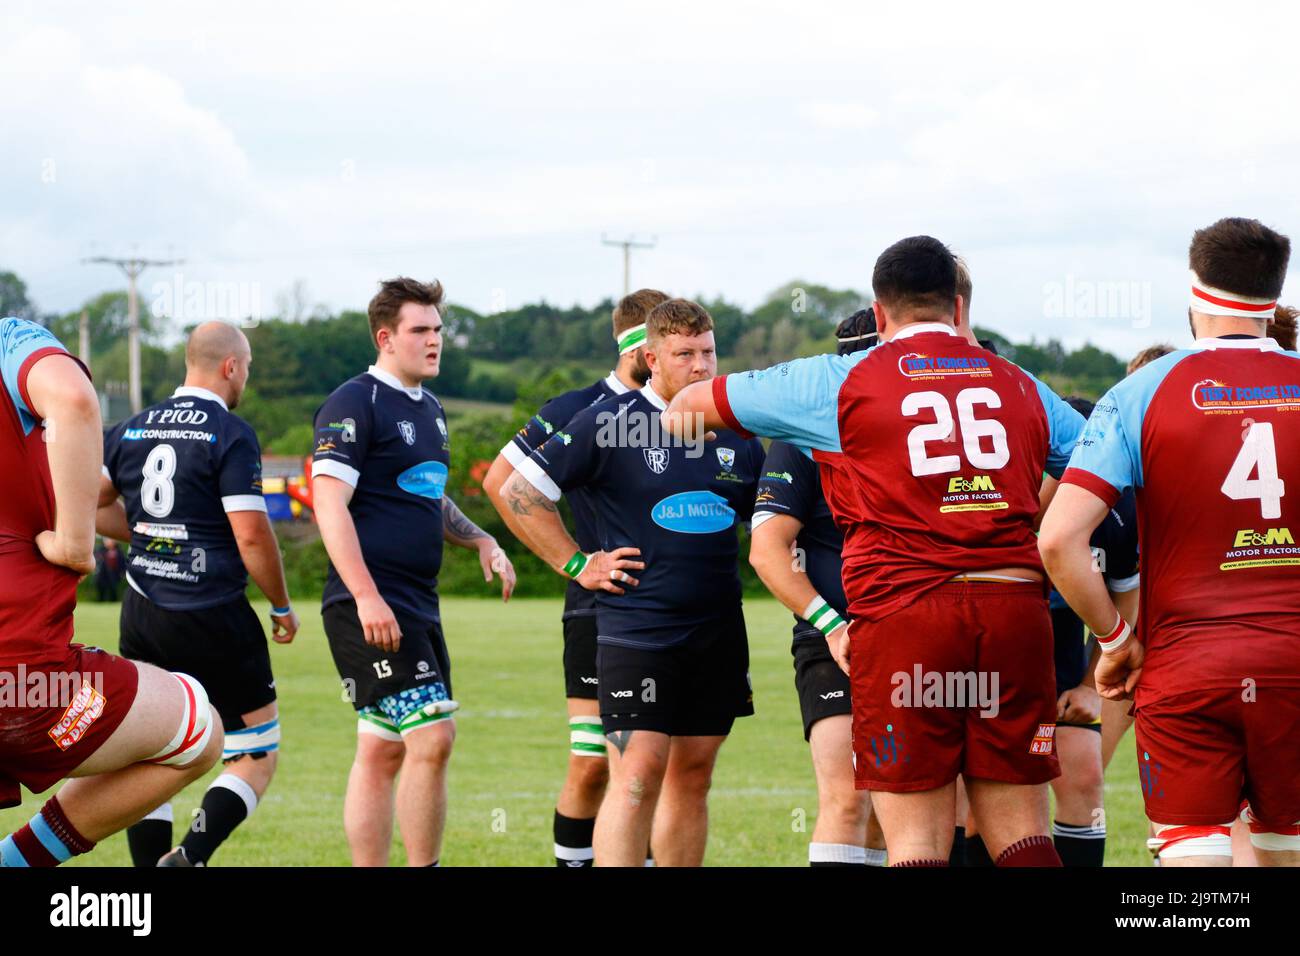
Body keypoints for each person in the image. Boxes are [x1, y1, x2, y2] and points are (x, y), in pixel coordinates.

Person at [664, 236, 1085, 866]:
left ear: (879, 313)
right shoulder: (1018, 383)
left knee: (914, 841)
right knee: (1024, 836)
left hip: (906, 615)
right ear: (958, 308)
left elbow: (684, 412)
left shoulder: (838, 378)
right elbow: (1098, 465)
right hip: (1013, 611)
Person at [1041, 217, 1300, 867]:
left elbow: (1059, 540)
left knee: (1194, 867)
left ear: (1195, 294)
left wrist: (1114, 642)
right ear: (1274, 293)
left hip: (1186, 663)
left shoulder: (1138, 394)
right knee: (1279, 850)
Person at [499, 298, 763, 866]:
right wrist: (578, 563)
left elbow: (767, 518)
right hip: (637, 632)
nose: (700, 366)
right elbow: (518, 493)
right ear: (652, 357)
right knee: (638, 776)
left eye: (708, 352)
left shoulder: (735, 431)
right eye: (684, 353)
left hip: (717, 630)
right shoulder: (608, 421)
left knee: (693, 777)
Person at [0, 316, 222, 867]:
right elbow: (73, 400)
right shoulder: (11, 340)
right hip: (22, 681)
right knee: (199, 730)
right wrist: (76, 541)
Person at [312, 277, 515, 867]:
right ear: (386, 337)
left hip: (417, 605)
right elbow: (329, 505)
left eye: (438, 330)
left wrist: (479, 539)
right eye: (420, 330)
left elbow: (428, 497)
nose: (435, 341)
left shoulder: (431, 410)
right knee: (433, 737)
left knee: (381, 751)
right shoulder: (355, 403)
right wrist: (367, 597)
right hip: (367, 605)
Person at [99, 320, 299, 866]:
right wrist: (280, 604)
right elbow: (251, 532)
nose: (247, 379)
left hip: (142, 611)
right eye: (248, 368)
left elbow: (89, 501)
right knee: (254, 751)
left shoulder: (132, 428)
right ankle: (192, 855)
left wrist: (148, 534)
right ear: (231, 367)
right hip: (214, 615)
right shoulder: (230, 432)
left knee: (148, 750)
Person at [482, 287, 666, 867]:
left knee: (652, 766)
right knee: (593, 763)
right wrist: (576, 563)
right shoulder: (575, 410)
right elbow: (500, 485)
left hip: (672, 613)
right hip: (596, 609)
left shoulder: (686, 413)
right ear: (638, 345)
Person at [747, 307, 886, 867]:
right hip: (837, 642)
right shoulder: (805, 435)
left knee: (898, 802)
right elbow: (767, 549)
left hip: (917, 635)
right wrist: (831, 625)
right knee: (850, 794)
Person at [1041, 396, 1139, 866]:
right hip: (989, 659)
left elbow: (1127, 594)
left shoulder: (1116, 510)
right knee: (986, 797)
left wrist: (1087, 686)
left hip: (1059, 650)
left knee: (1083, 776)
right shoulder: (1007, 502)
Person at [94, 538, 122, 602]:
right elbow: (97, 561)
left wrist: (122, 572)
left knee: (113, 589)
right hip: (101, 574)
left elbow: (122, 562)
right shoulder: (100, 550)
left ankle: (113, 601)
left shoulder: (118, 551)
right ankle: (101, 601)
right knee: (101, 589)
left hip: (114, 574)